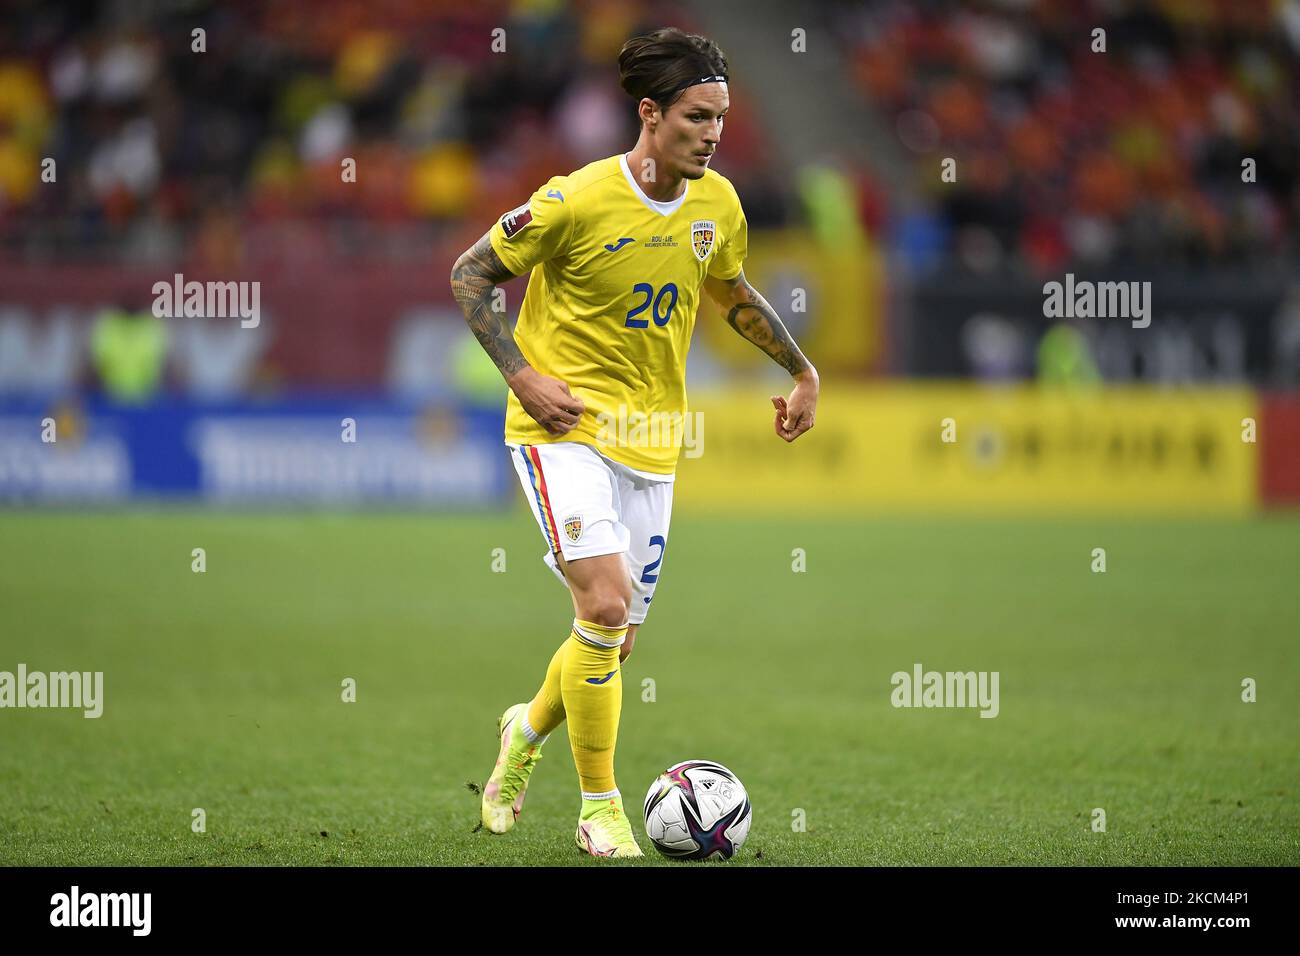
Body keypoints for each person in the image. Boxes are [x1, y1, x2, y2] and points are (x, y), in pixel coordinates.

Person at [450, 27, 819, 857]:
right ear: (650, 114)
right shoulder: (575, 200)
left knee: (614, 639)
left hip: (652, 442)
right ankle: (600, 809)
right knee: (605, 607)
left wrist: (802, 372)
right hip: (562, 430)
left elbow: (731, 292)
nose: (712, 134)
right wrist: (521, 376)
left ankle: (524, 732)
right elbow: (469, 275)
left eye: (720, 118)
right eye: (696, 117)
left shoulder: (717, 205)